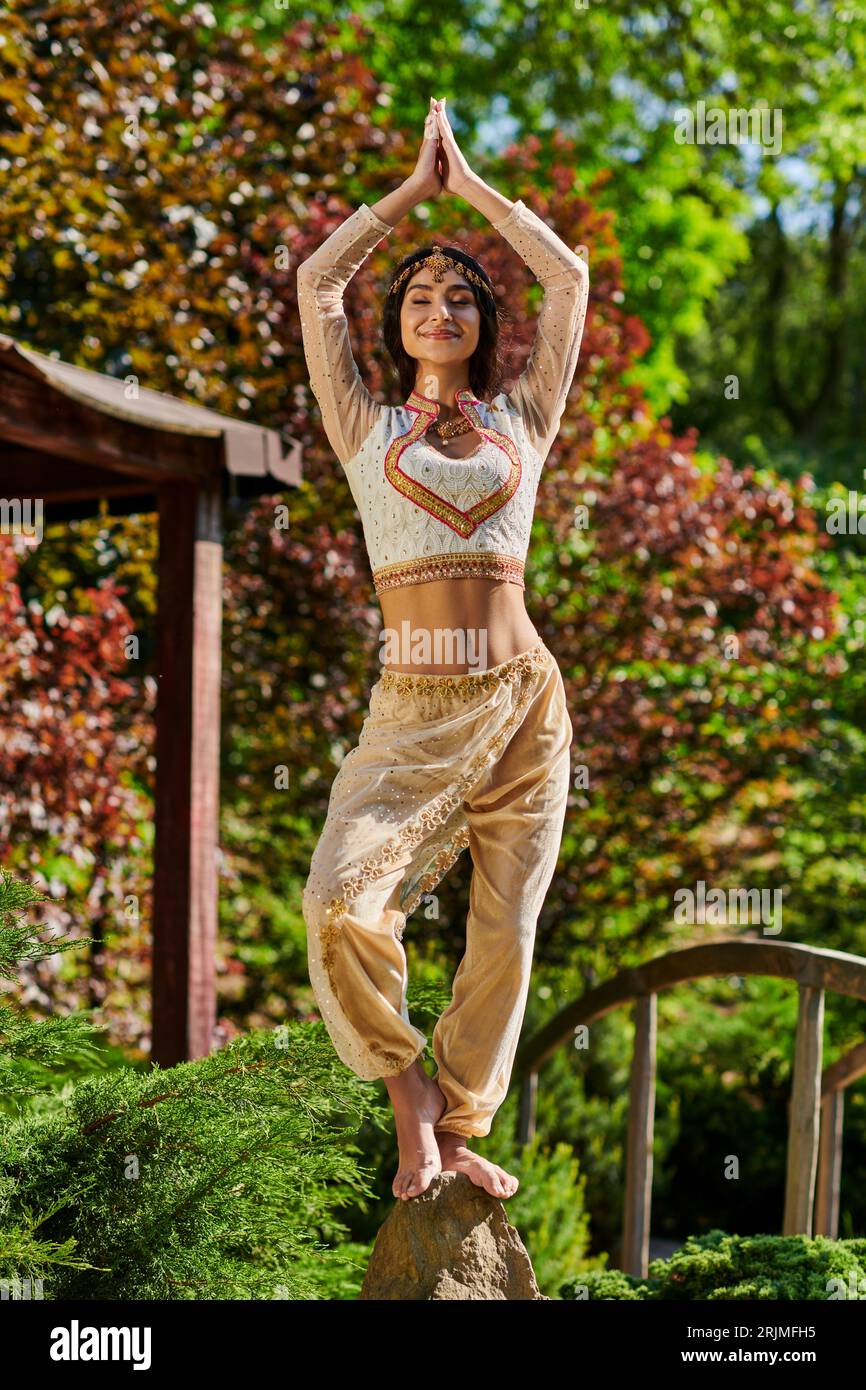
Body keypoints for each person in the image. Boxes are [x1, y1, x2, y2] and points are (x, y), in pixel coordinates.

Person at [297, 97, 589, 1202]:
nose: (438, 306)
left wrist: (472, 192)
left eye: (459, 294)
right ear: (396, 324)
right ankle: (409, 1093)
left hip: (522, 700)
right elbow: (318, 282)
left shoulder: (522, 417)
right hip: (411, 710)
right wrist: (407, 197)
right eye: (419, 295)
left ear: (482, 321)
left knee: (502, 934)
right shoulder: (364, 426)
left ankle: (456, 1129)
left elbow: (566, 281)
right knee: (341, 901)